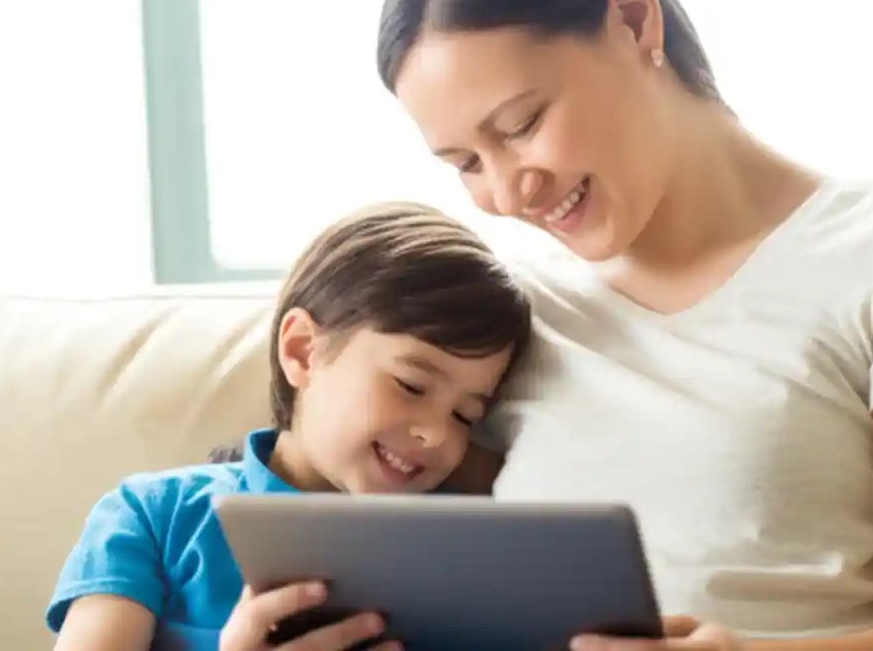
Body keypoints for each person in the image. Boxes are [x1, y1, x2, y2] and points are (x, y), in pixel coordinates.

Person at [376, 0, 873, 649]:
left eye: (522, 125)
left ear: (634, 20)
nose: (508, 193)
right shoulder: (508, 320)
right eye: (466, 163)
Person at [45, 202, 533, 651]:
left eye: (465, 415)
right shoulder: (155, 517)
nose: (437, 434)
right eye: (411, 385)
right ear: (302, 351)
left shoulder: (470, 553)